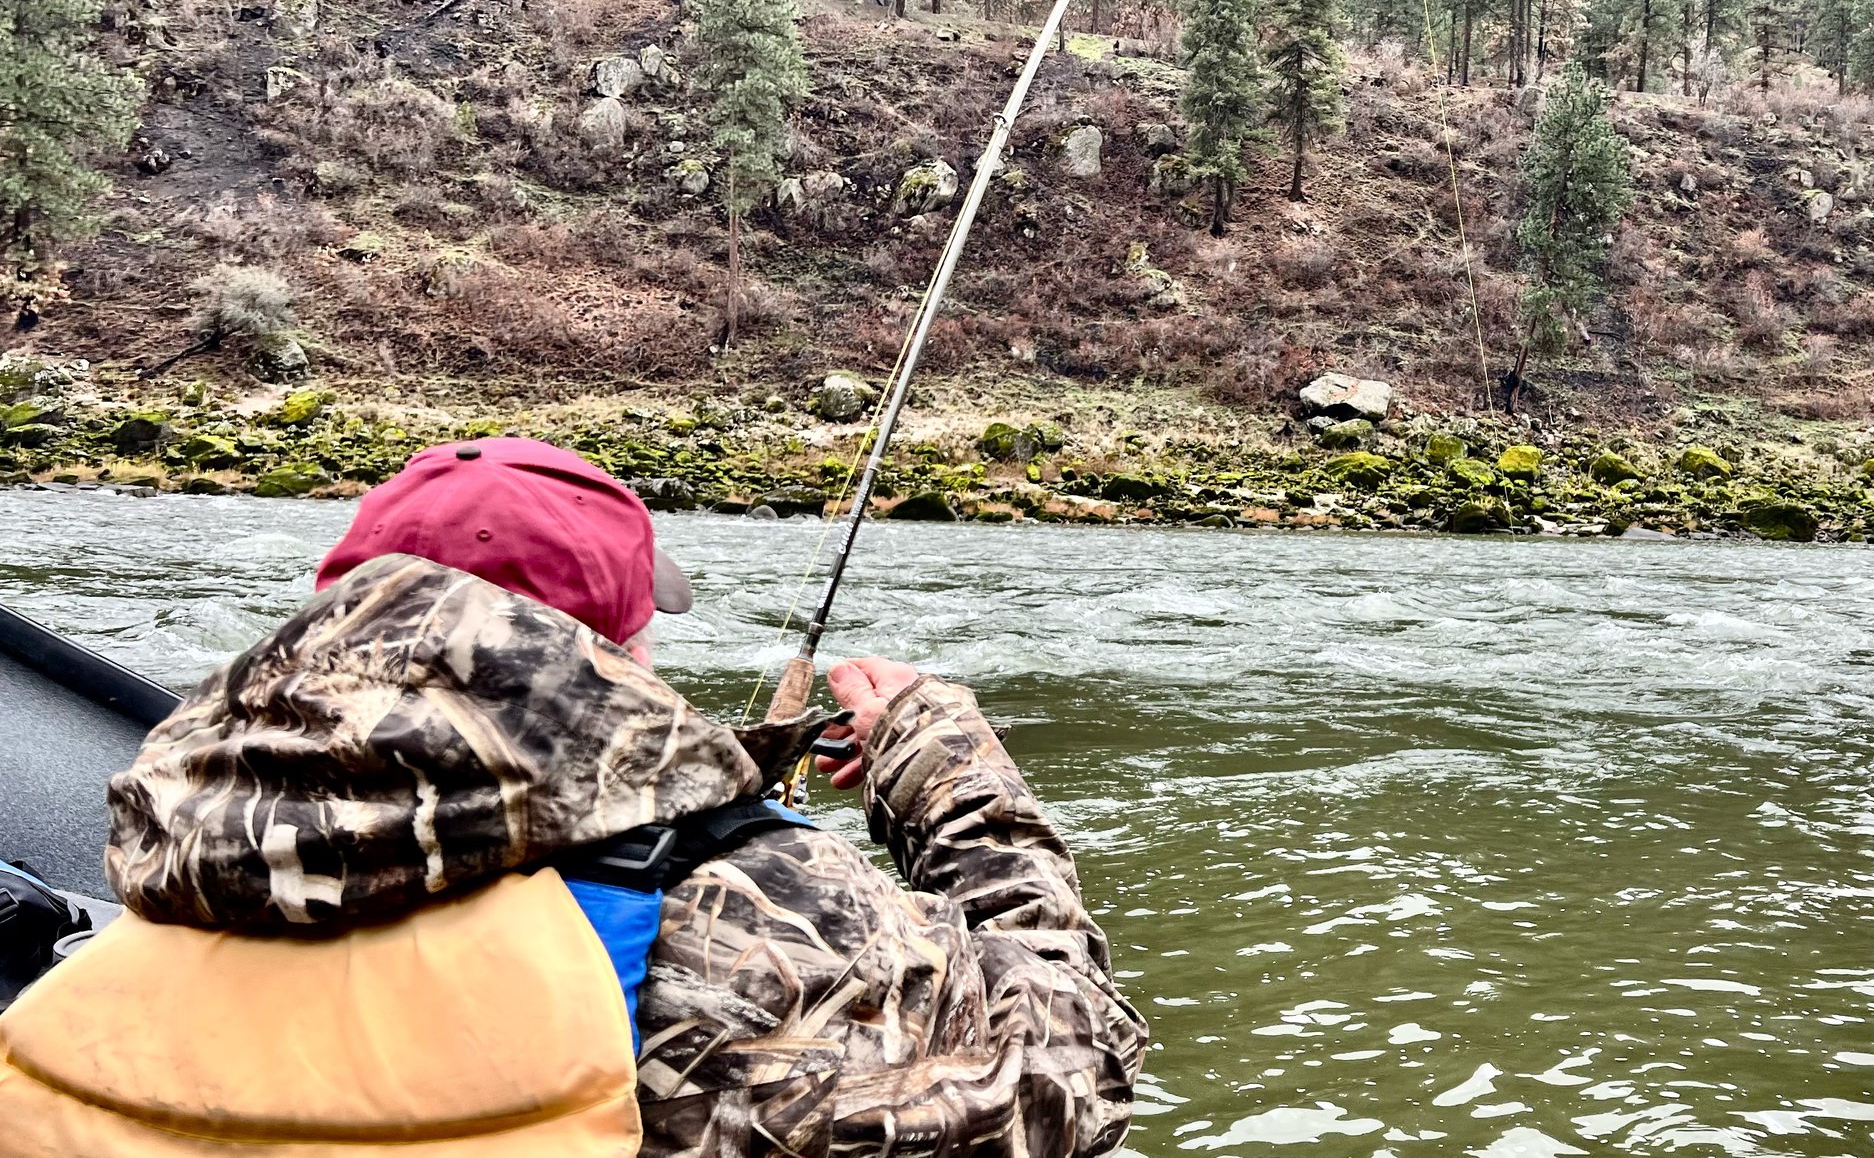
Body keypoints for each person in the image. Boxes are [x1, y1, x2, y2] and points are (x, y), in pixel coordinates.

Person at [0, 437, 1145, 1156]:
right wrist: (951, 780)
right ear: (614, 645)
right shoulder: (751, 904)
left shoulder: (173, 836)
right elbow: (1071, 1082)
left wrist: (709, 774)